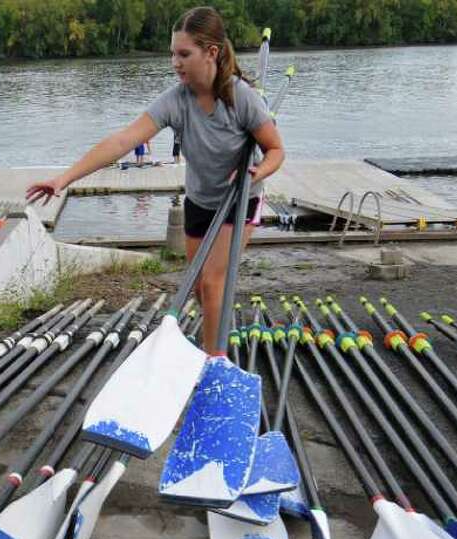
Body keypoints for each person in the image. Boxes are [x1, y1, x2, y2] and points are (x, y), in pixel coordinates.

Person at [27, 6, 283, 352]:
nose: (175, 63)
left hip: (240, 200)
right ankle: (213, 337)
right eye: (172, 54)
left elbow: (275, 150)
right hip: (200, 200)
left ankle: (214, 361)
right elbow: (122, 141)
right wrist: (64, 179)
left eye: (184, 54)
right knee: (198, 288)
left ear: (211, 52)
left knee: (212, 285)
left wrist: (255, 173)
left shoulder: (242, 98)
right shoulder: (175, 100)